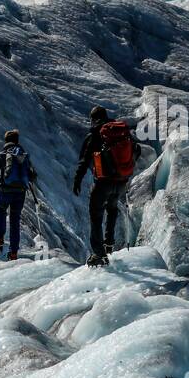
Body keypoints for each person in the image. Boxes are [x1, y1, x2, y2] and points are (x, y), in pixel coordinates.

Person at [73, 105, 136, 266]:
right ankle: (109, 243)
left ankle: (99, 255)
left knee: (96, 216)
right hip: (121, 182)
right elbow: (136, 149)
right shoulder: (121, 133)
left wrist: (77, 180)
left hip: (103, 183)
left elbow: (84, 160)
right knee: (112, 209)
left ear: (93, 118)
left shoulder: (95, 135)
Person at [0, 129, 37, 259]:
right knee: (15, 219)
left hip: (5, 191)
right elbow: (33, 176)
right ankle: (14, 251)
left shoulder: (2, 155)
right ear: (17, 141)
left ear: (6, 141)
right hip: (20, 193)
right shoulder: (23, 156)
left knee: (1, 211)